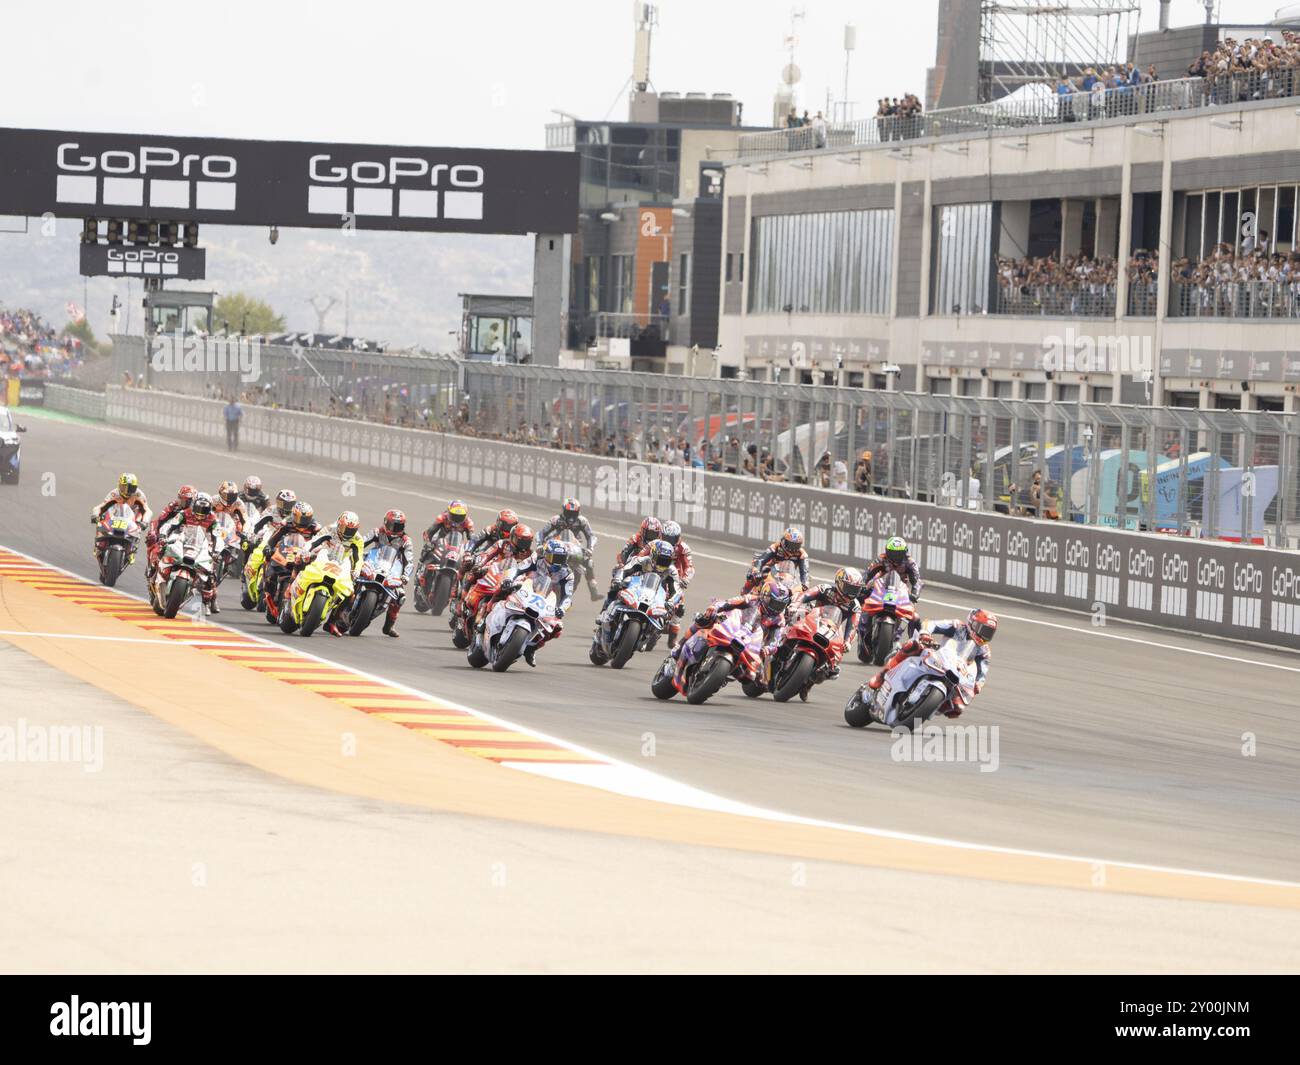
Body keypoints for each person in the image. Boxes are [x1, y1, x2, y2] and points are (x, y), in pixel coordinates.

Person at [864, 609, 997, 718]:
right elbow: (931, 624)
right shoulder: (957, 626)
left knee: (957, 709)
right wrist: (925, 634)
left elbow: (982, 673)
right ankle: (882, 675)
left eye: (989, 633)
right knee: (913, 645)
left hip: (955, 670)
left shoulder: (984, 651)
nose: (984, 634)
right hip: (938, 655)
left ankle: (930, 708)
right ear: (972, 623)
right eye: (982, 629)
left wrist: (978, 684)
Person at [487, 537, 576, 666]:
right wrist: (509, 579)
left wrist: (562, 608)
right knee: (505, 587)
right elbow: (518, 569)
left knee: (557, 627)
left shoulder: (567, 573)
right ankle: (489, 607)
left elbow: (568, 596)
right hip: (526, 585)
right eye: (554, 558)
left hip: (545, 598)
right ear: (546, 555)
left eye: (561, 559)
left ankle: (531, 648)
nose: (557, 562)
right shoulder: (536, 558)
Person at [675, 581, 793, 676]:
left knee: (751, 676)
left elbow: (775, 640)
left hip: (751, 641)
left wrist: (768, 649)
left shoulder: (779, 619)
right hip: (732, 624)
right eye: (774, 603)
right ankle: (680, 645)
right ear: (765, 596)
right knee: (703, 620)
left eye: (780, 605)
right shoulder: (751, 599)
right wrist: (715, 607)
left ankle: (720, 675)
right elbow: (729, 602)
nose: (776, 608)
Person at [795, 567, 867, 679]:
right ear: (839, 582)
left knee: (837, 656)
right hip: (813, 618)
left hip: (833, 629)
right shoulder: (825, 589)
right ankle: (781, 641)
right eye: (849, 588)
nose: (851, 593)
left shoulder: (855, 606)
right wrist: (796, 604)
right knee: (796, 615)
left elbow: (853, 626)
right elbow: (807, 594)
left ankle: (823, 671)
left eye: (855, 590)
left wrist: (847, 642)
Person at [154, 491, 221, 611]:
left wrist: (217, 551)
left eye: (204, 509)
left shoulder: (213, 519)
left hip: (202, 546)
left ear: (209, 509)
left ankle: (208, 601)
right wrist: (163, 536)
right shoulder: (184, 513)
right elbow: (170, 524)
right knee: (161, 550)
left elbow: (218, 536)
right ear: (193, 505)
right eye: (198, 508)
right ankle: (157, 572)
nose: (200, 512)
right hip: (182, 541)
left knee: (211, 574)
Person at [465, 524, 535, 631]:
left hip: (514, 580)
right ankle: (465, 596)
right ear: (513, 537)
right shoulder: (502, 544)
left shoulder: (531, 555)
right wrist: (479, 565)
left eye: (527, 542)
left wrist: (530, 582)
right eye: (521, 541)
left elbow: (533, 573)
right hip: (495, 570)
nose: (524, 545)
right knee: (474, 573)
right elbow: (487, 554)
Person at [306, 511, 365, 637]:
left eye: (351, 530)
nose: (348, 532)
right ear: (339, 524)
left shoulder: (358, 539)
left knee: (350, 593)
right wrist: (306, 550)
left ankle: (332, 622)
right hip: (323, 555)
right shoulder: (329, 529)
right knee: (304, 563)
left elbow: (358, 557)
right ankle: (291, 591)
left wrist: (357, 570)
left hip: (341, 563)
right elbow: (314, 541)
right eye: (345, 528)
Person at [362, 509, 415, 638]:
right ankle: (338, 615)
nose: (396, 528)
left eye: (400, 526)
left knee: (400, 597)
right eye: (393, 525)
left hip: (392, 569)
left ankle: (389, 625)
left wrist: (405, 576)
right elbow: (360, 543)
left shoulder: (406, 541)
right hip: (373, 563)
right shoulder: (376, 532)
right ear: (386, 523)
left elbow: (409, 561)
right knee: (350, 580)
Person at [538, 497, 599, 597]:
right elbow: (541, 533)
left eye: (573, 513)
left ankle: (593, 589)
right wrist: (540, 545)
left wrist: (590, 549)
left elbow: (591, 536)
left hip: (574, 546)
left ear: (578, 512)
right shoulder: (555, 520)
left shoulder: (582, 521)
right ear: (564, 511)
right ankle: (530, 576)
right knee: (539, 556)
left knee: (589, 561)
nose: (571, 516)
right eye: (569, 513)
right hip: (557, 544)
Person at [600, 516, 663, 610]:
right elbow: (624, 553)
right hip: (633, 566)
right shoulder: (636, 538)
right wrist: (622, 564)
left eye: (653, 534)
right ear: (643, 531)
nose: (651, 537)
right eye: (649, 533)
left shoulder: (660, 544)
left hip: (651, 571)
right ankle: (607, 605)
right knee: (617, 575)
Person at [863, 536, 923, 634]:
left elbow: (917, 581)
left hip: (901, 591)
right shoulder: (881, 559)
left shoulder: (910, 562)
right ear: (887, 551)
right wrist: (863, 587)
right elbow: (868, 573)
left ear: (905, 552)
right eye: (892, 553)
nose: (895, 557)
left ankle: (916, 642)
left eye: (899, 553)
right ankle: (863, 631)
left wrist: (915, 594)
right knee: (863, 601)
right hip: (881, 588)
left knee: (914, 617)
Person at [90, 473, 152, 564]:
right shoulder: (114, 493)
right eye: (123, 487)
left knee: (139, 523)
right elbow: (100, 507)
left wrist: (145, 522)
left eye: (129, 488)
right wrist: (95, 515)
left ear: (135, 487)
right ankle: (99, 544)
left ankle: (132, 549)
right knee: (101, 520)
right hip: (116, 515)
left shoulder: (139, 495)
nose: (126, 490)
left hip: (132, 517)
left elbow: (147, 510)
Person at [144, 484, 197, 578]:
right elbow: (160, 519)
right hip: (172, 533)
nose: (180, 501)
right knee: (152, 538)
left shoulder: (197, 512)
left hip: (190, 538)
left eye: (184, 500)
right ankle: (151, 566)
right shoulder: (174, 506)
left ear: (191, 501)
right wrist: (156, 532)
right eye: (180, 498)